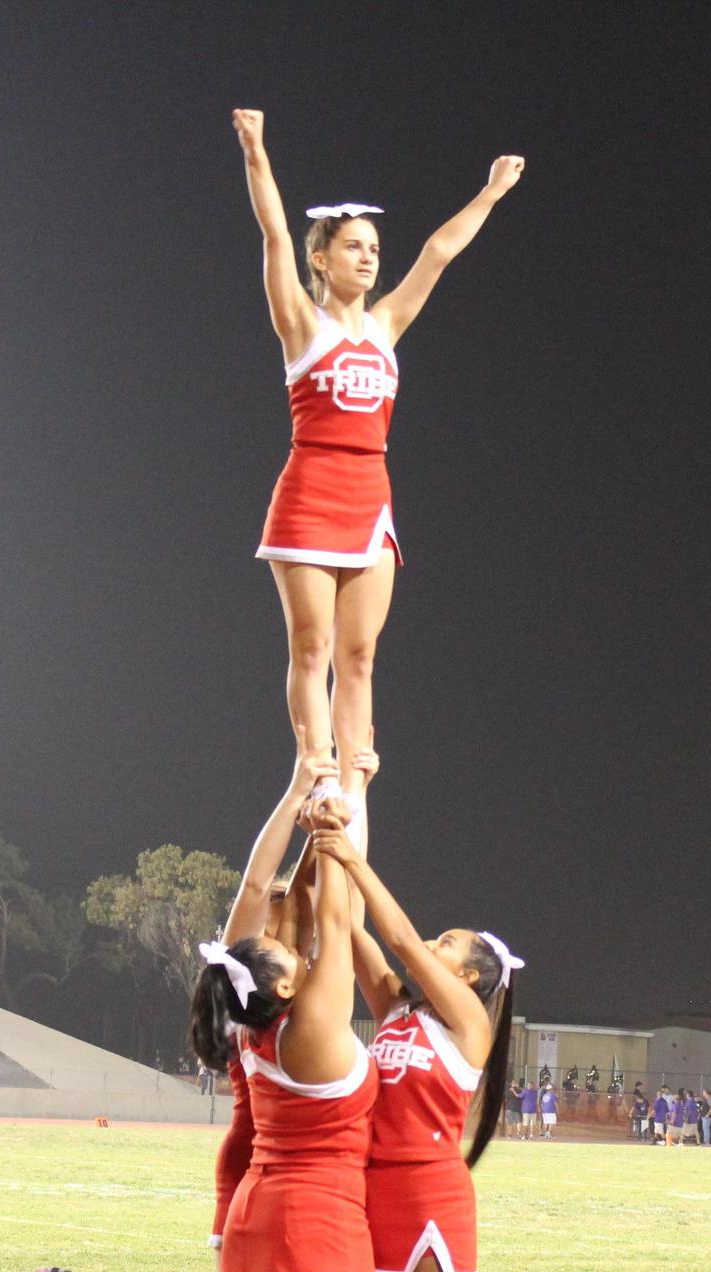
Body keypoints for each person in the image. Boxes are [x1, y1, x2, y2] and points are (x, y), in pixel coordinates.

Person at [230, 107, 525, 834]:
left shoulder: (387, 324)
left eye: (373, 248)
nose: (368, 259)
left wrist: (491, 191)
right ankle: (315, 765)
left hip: (370, 496)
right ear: (321, 260)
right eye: (353, 247)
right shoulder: (303, 324)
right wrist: (256, 148)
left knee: (358, 655)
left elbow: (438, 253)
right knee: (312, 646)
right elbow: (274, 233)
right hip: (309, 490)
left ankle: (355, 779)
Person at [308, 816, 521, 1272]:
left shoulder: (468, 1026)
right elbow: (349, 928)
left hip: (433, 1200)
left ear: (471, 978)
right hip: (372, 1198)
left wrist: (353, 860)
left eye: (446, 944)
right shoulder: (395, 1010)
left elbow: (399, 937)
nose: (431, 943)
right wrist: (334, 835)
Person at [181, 793, 372, 1272]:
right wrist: (338, 829)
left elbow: (290, 919)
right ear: (283, 987)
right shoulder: (313, 1025)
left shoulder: (250, 1023)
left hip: (255, 1209)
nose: (290, 946)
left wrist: (316, 831)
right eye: (281, 951)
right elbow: (336, 921)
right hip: (322, 1215)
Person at [205, 742, 342, 1253]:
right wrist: (305, 793)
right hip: (260, 1158)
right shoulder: (243, 986)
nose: (285, 938)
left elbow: (303, 896)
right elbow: (257, 885)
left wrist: (320, 830)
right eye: (270, 932)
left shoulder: (297, 983)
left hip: (309, 1169)